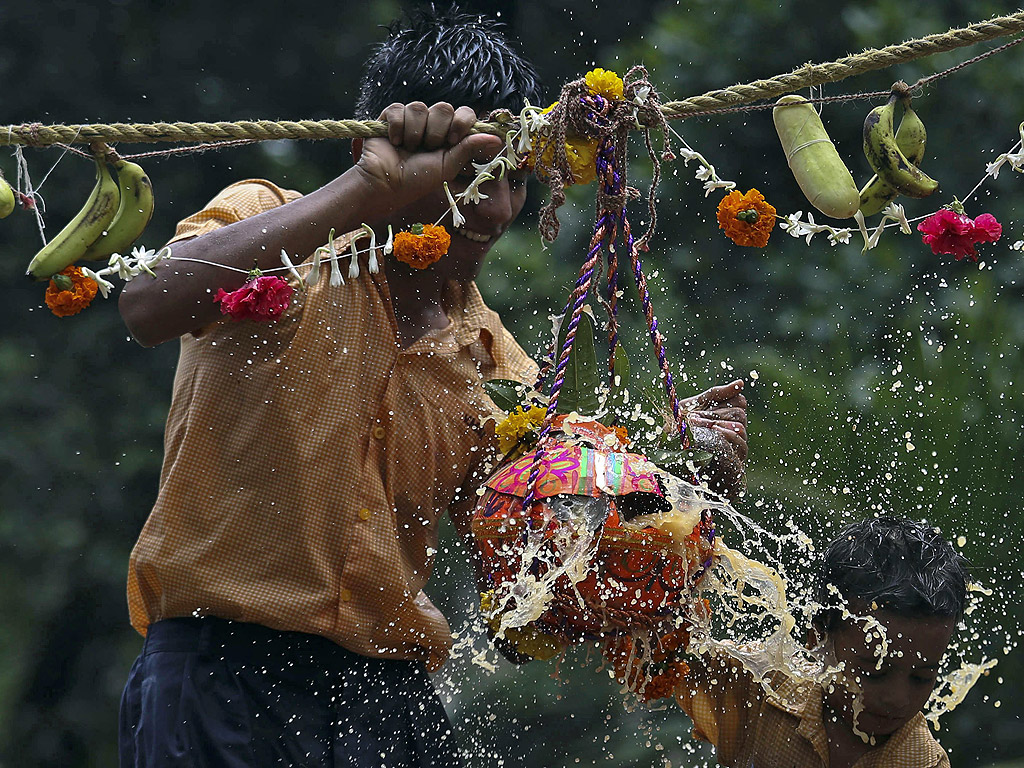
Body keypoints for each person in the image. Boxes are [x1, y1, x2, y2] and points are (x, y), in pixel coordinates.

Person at [116, 6, 749, 767]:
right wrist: (369, 189)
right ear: (370, 148)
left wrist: (679, 497)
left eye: (515, 180)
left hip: (388, 707)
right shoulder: (276, 230)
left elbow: (533, 580)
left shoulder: (497, 365)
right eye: (471, 177)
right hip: (222, 683)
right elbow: (148, 304)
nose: (498, 209)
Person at [675, 516, 969, 768]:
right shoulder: (761, 685)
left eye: (922, 677)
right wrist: (693, 499)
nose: (897, 698)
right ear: (817, 640)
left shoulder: (924, 762)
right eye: (874, 672)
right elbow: (657, 655)